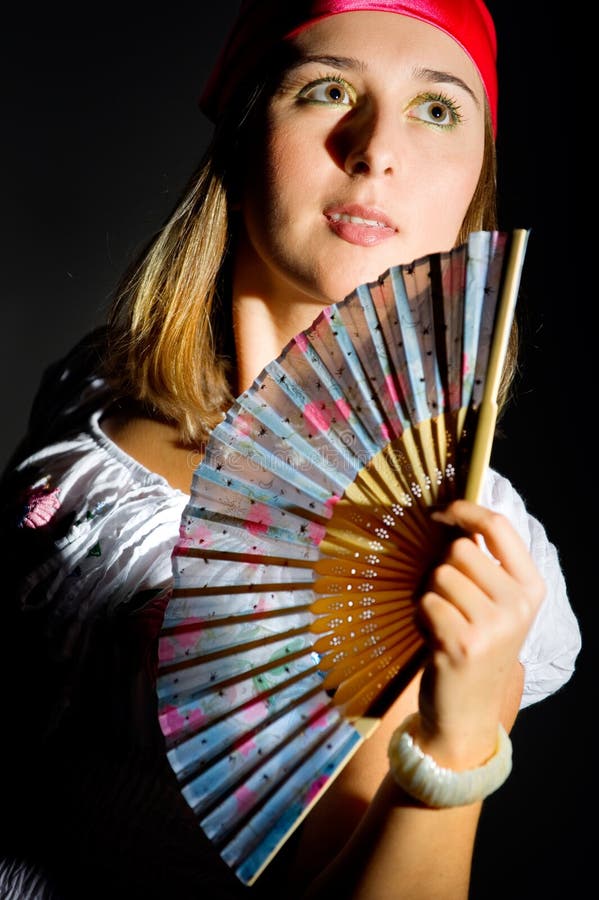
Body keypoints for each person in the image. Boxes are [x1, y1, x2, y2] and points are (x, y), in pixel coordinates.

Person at [0, 2, 581, 898]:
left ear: (475, 179)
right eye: (328, 90)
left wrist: (455, 739)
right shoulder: (104, 379)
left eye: (437, 109)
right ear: (244, 128)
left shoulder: (444, 537)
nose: (376, 148)